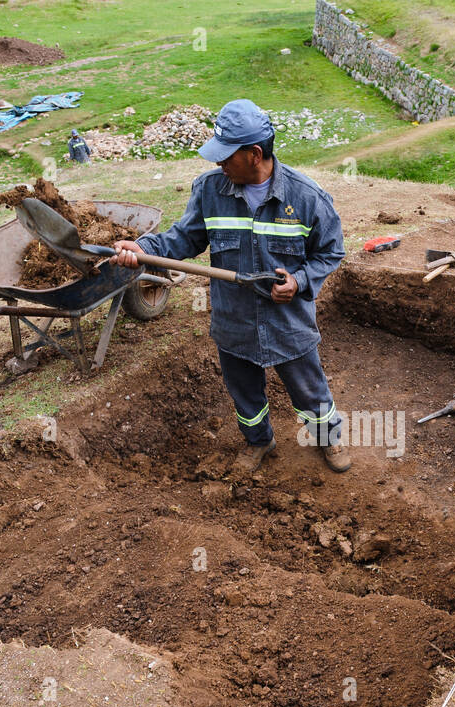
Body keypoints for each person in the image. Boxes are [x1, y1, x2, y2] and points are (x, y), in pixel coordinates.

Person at [113, 99, 349, 474]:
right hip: (233, 320)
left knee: (310, 392)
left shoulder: (308, 199)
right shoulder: (210, 190)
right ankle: (259, 441)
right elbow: (184, 239)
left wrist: (300, 280)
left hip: (288, 323)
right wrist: (143, 248)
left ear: (255, 154)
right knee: (245, 395)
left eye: (226, 156)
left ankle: (328, 439)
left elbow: (331, 253)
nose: (218, 164)